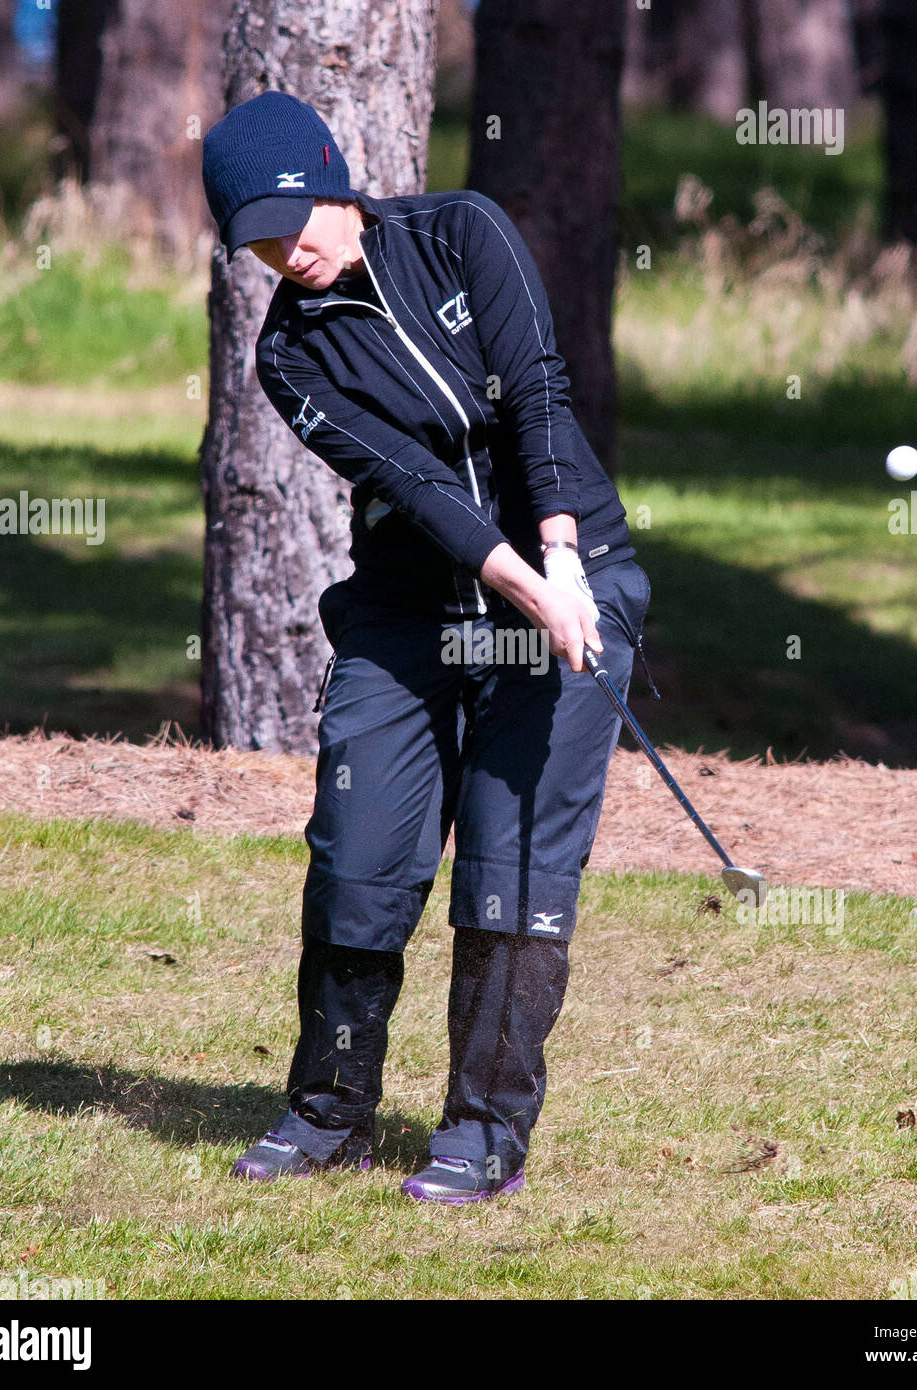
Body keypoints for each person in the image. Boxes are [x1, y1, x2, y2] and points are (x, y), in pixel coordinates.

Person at [202, 91, 652, 1204]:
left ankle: (484, 1126)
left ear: (334, 178)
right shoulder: (291, 360)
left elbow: (537, 392)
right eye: (256, 236)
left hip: (571, 571)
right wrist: (512, 579)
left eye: (293, 218)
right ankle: (328, 1110)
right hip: (410, 609)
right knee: (359, 851)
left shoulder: (462, 232)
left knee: (510, 868)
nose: (283, 249)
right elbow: (415, 485)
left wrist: (558, 556)